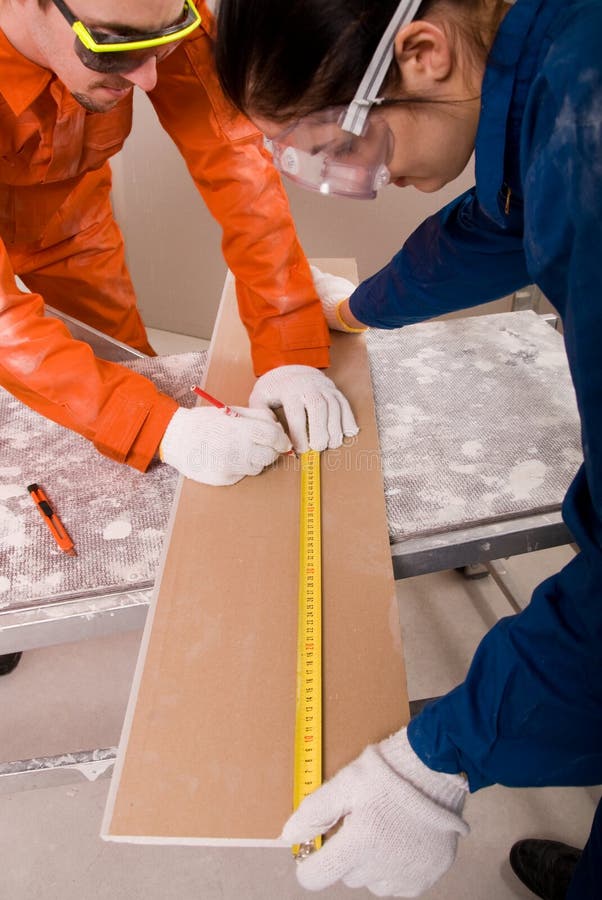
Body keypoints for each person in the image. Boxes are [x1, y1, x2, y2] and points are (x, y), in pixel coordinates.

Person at [214, 0, 602, 896]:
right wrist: (352, 310)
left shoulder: (589, 148)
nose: (360, 179)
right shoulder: (547, 67)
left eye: (340, 147)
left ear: (421, 54)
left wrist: (435, 761)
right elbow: (507, 220)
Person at [0, 0, 358, 493]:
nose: (148, 78)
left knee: (134, 374)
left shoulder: (157, 8)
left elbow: (237, 170)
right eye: (114, 48)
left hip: (70, 223)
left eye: (163, 47)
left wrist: (287, 338)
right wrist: (159, 429)